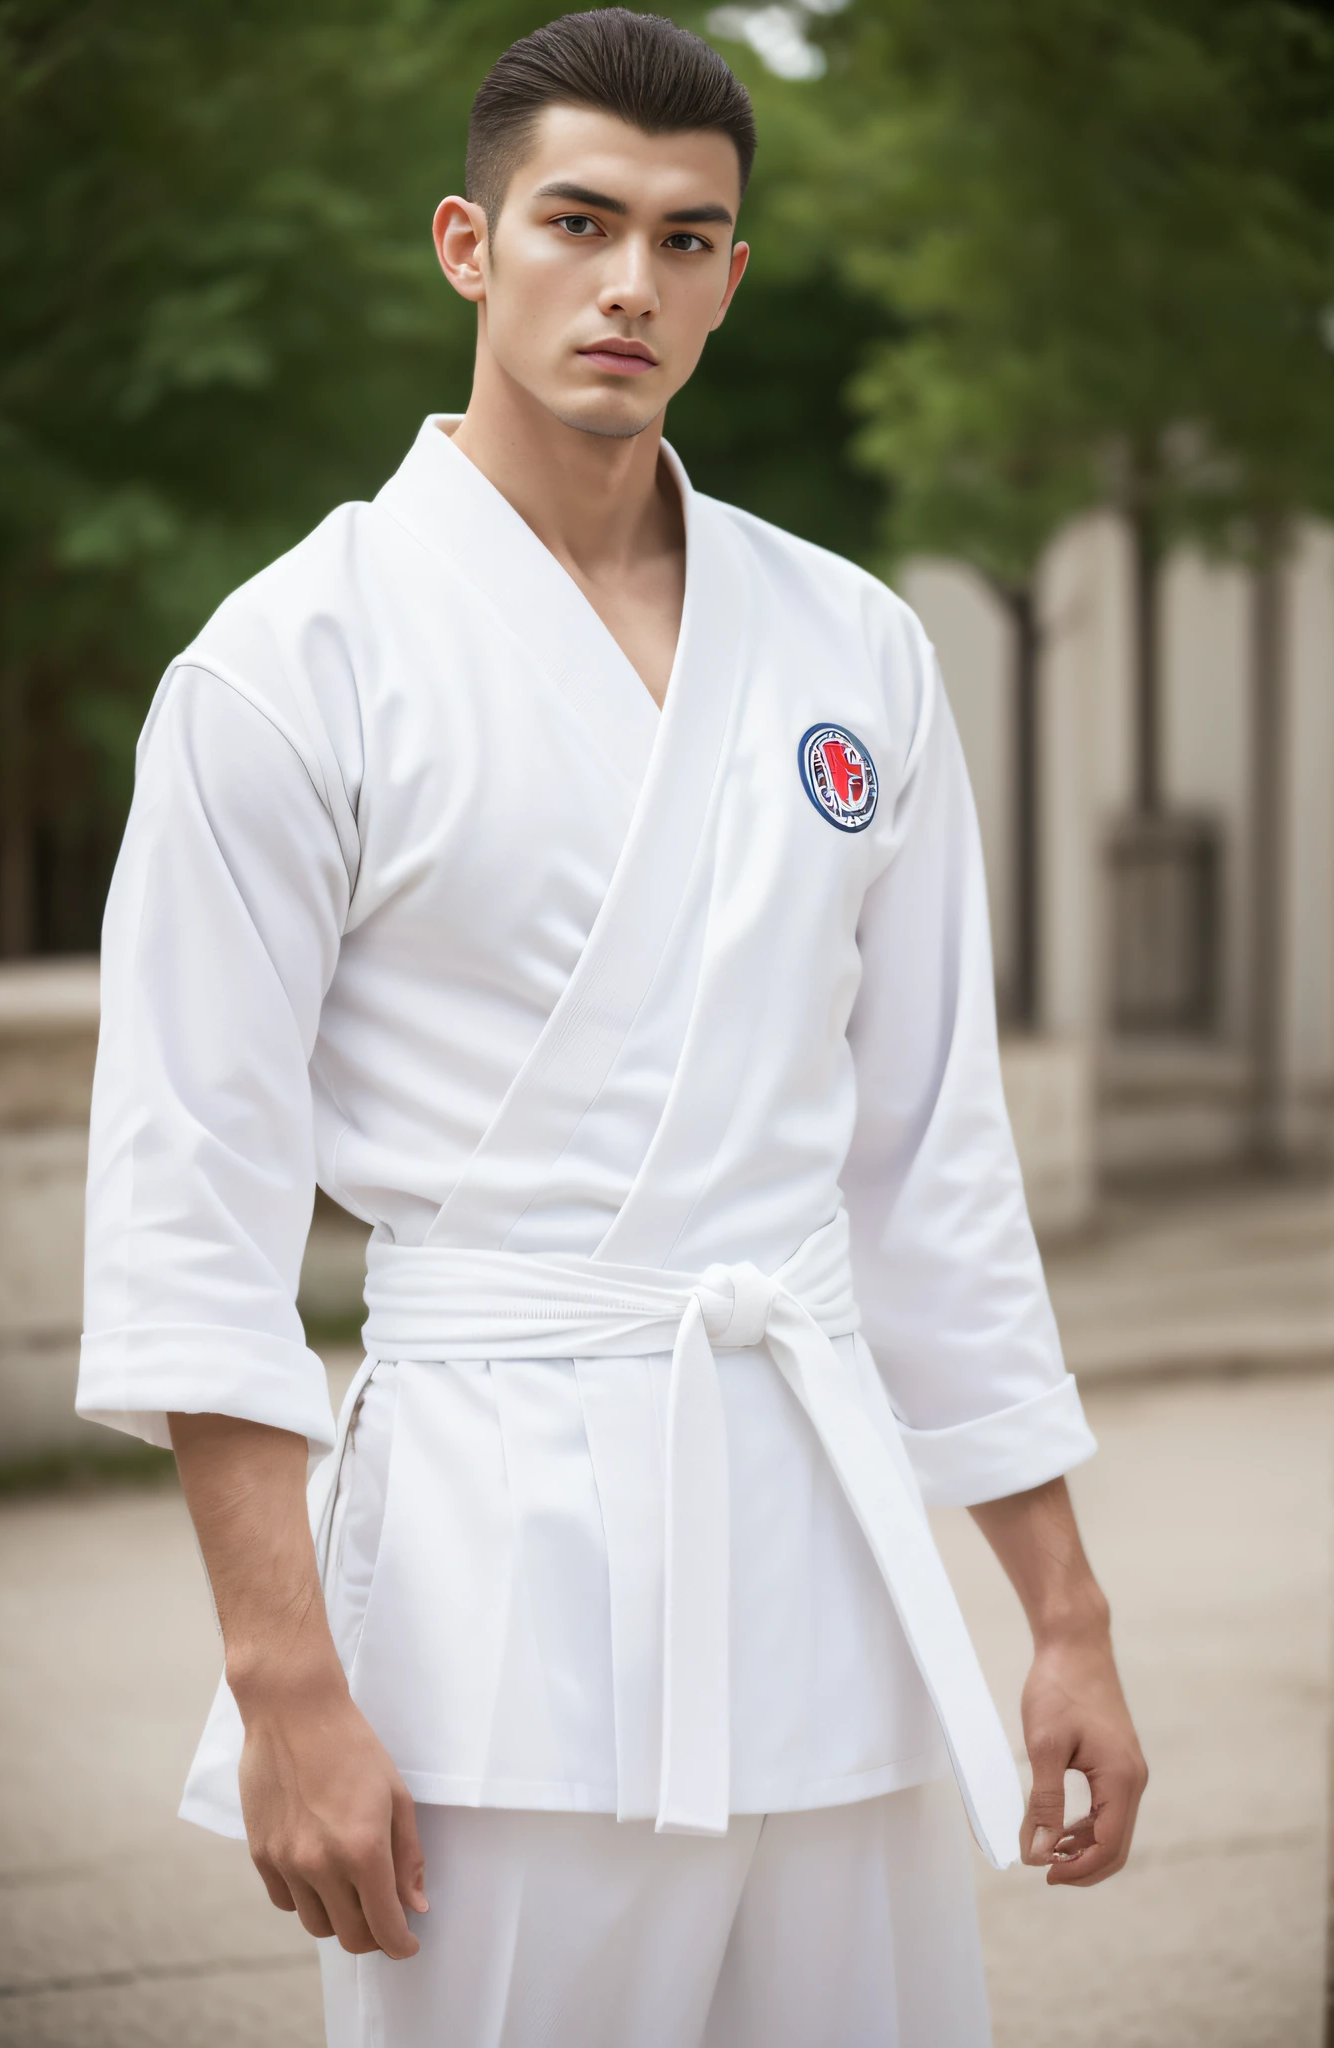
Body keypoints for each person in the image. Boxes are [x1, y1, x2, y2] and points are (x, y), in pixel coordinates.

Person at [77, 11, 1147, 2045]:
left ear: (731, 276)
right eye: (579, 221)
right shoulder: (290, 663)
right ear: (469, 245)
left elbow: (924, 1160)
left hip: (822, 1557)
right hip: (490, 1593)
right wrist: (285, 1687)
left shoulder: (851, 642)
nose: (630, 283)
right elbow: (190, 1210)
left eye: (685, 237)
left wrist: (1063, 1612)